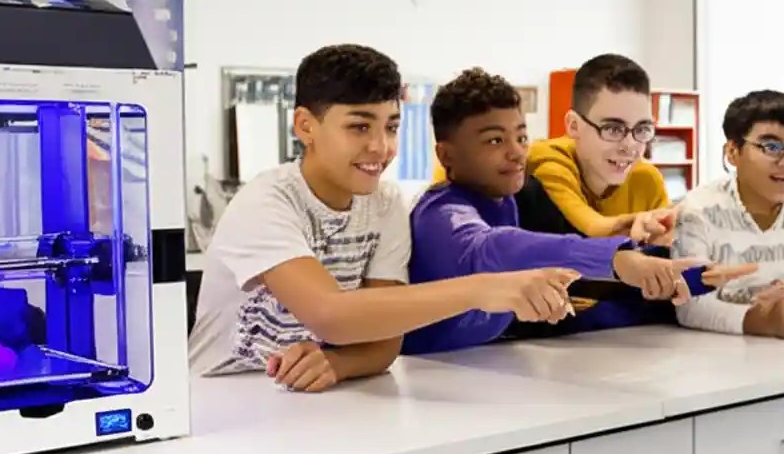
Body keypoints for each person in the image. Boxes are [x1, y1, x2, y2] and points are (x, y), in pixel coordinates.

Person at [188, 44, 579, 391]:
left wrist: (337, 363)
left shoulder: (384, 201)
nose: (381, 147)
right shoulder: (267, 201)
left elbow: (386, 339)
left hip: (311, 401)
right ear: (306, 126)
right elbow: (331, 315)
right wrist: (482, 289)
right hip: (221, 399)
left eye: (391, 127)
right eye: (359, 126)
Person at [402, 68, 753, 355]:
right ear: (447, 156)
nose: (516, 152)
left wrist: (686, 276)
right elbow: (496, 248)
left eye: (521, 138)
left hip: (486, 369)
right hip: (416, 381)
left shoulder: (507, 199)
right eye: (495, 141)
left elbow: (575, 280)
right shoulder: (440, 214)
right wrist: (620, 258)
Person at [672, 90, 784, 339]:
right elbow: (690, 305)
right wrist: (764, 319)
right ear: (733, 152)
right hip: (720, 358)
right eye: (772, 147)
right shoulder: (698, 208)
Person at [518, 53, 676, 246]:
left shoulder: (646, 179)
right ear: (574, 125)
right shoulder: (550, 163)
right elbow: (590, 225)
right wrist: (635, 222)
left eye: (642, 129)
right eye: (612, 129)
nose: (630, 146)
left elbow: (668, 247)